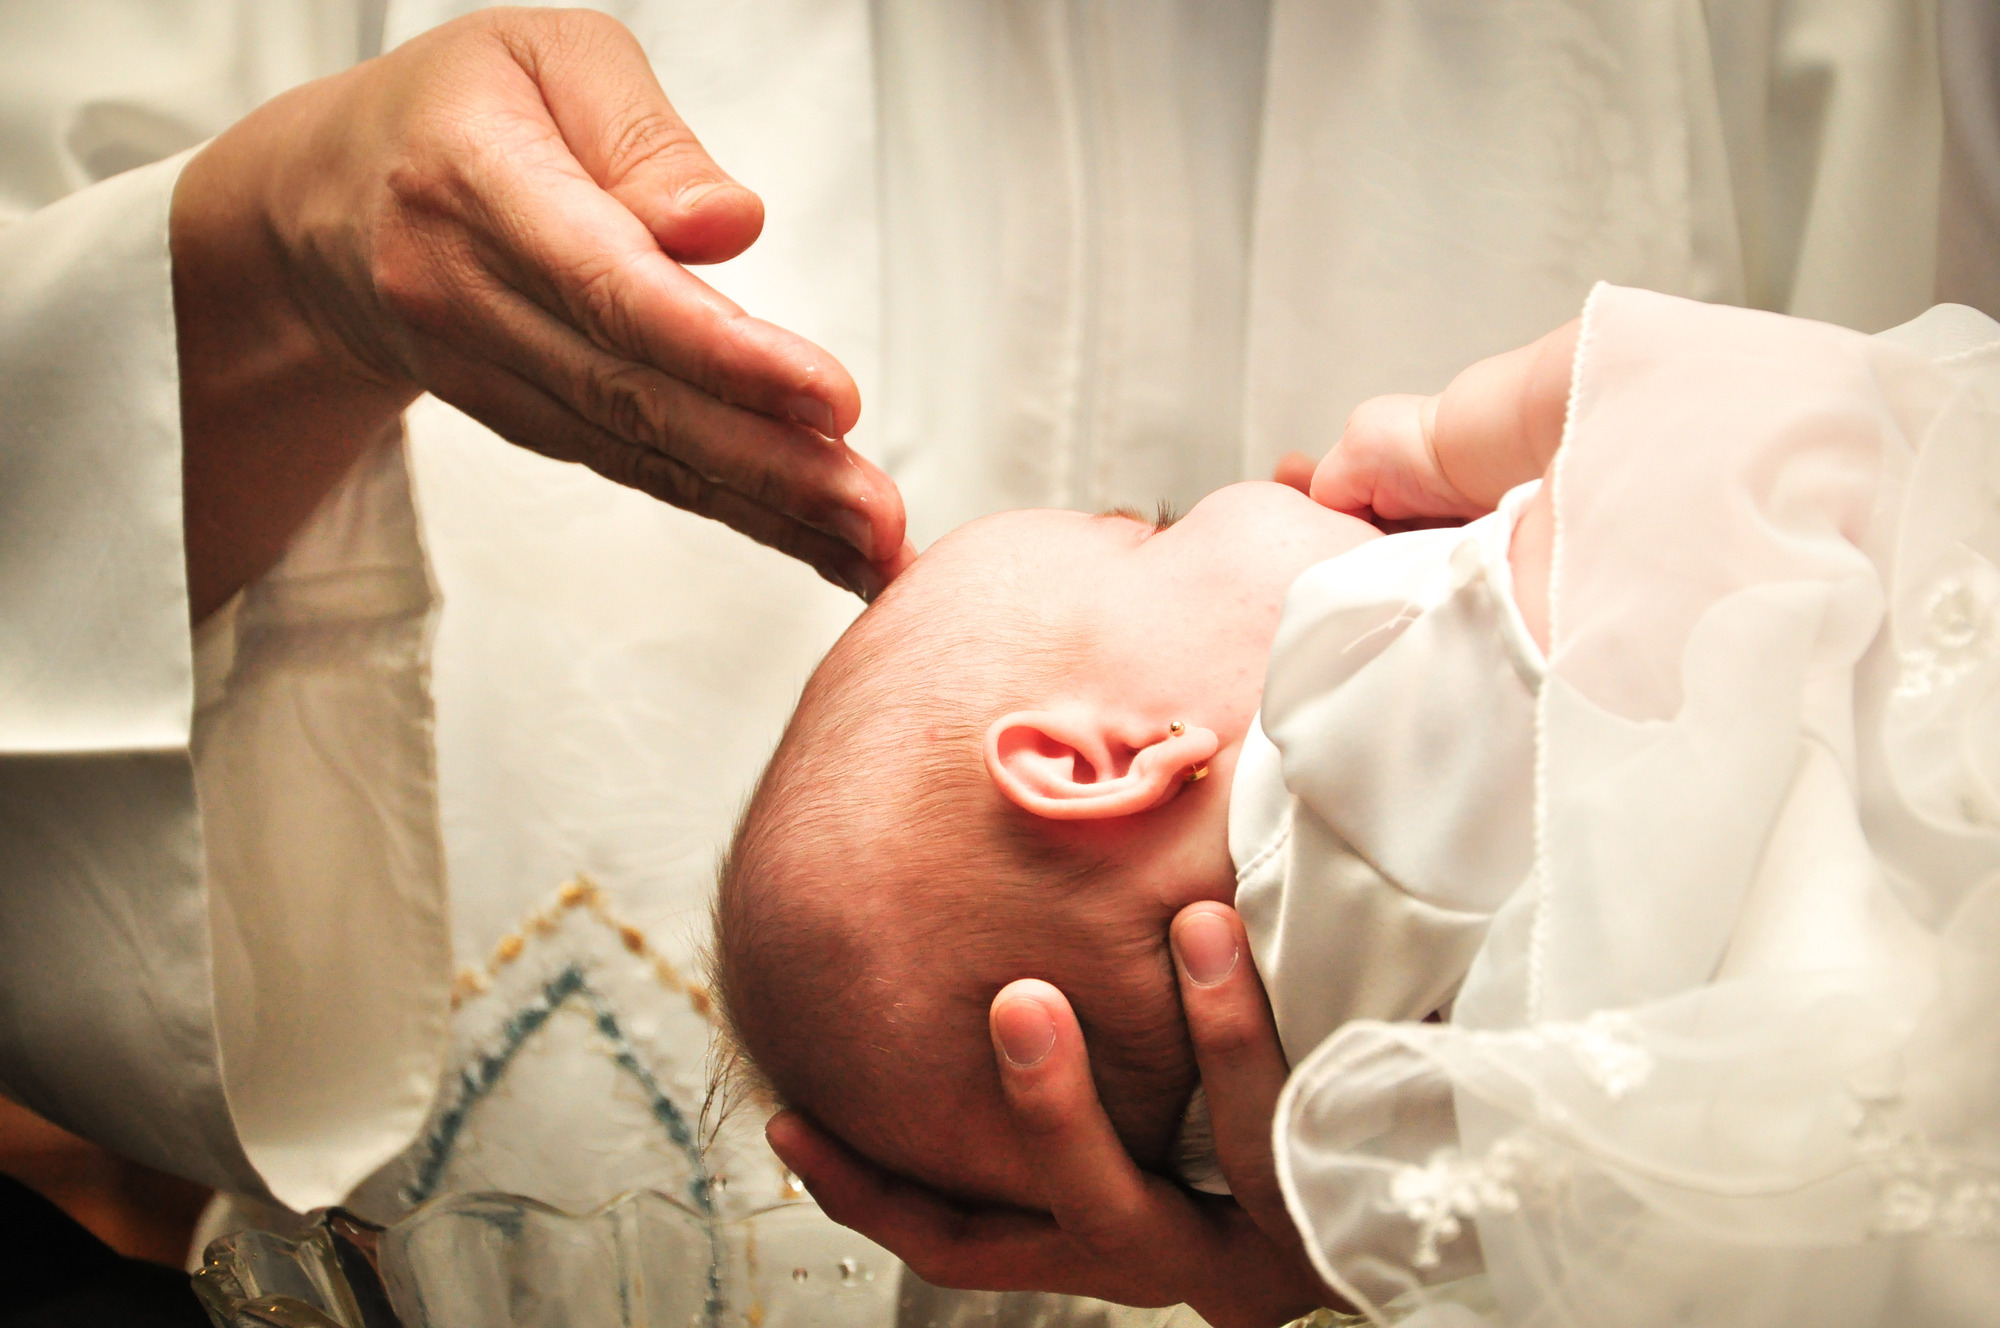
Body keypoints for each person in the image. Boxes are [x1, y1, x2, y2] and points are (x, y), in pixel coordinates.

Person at [763, 287, 2000, 1325]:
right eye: (1151, 532)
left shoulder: (1427, 1117)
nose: (1242, 486)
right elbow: (1760, 427)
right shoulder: (1350, 735)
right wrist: (1481, 427)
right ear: (1105, 761)